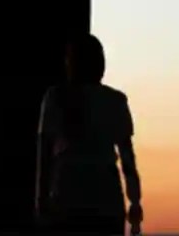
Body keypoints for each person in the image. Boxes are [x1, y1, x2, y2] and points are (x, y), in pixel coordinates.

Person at [36, 34, 143, 235]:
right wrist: (135, 200)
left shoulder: (55, 97)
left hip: (66, 197)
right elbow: (128, 159)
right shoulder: (116, 101)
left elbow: (44, 157)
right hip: (107, 199)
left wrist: (40, 202)